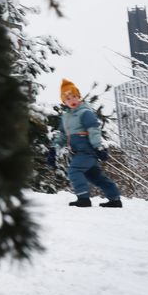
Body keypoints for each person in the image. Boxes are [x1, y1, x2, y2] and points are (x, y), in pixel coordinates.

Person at [46, 78, 122, 208]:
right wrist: (54, 149)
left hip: (87, 152)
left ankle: (83, 199)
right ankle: (114, 199)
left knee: (74, 171)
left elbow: (93, 130)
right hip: (79, 153)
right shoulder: (66, 117)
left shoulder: (85, 113)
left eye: (74, 96)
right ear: (64, 101)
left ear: (79, 96)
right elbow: (63, 136)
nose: (72, 100)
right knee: (95, 177)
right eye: (68, 98)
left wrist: (99, 147)